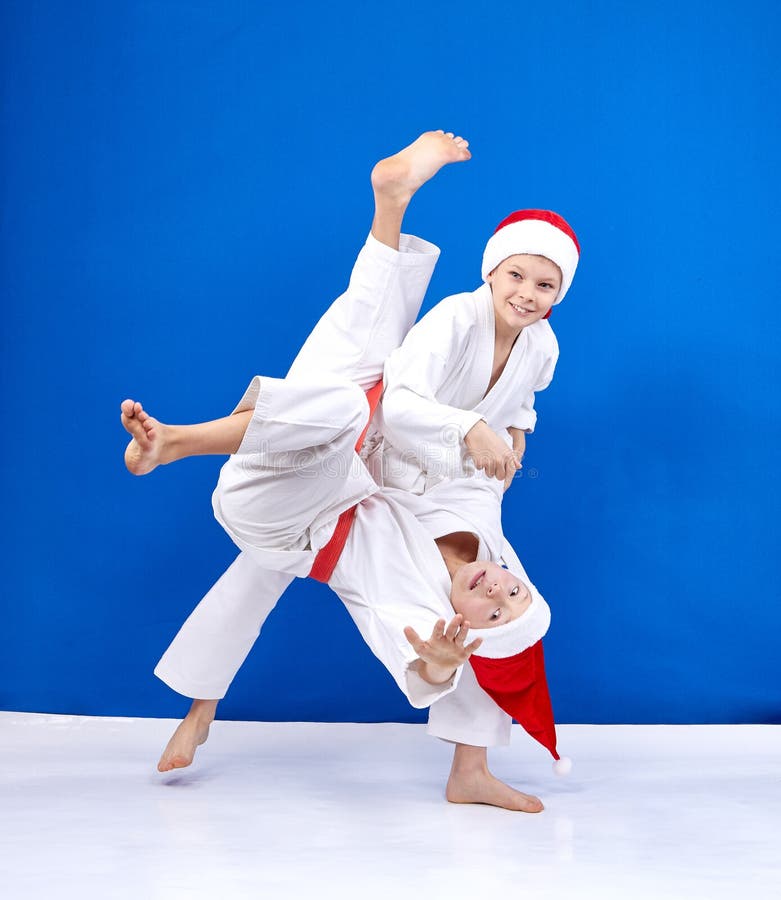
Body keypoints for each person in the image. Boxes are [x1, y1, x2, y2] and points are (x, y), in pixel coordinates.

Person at [123, 131, 560, 812]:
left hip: (322, 495)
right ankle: (181, 439)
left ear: (559, 295)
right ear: (493, 273)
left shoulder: (437, 593)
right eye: (519, 275)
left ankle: (467, 769)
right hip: (357, 433)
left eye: (545, 284)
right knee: (353, 358)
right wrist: (476, 429)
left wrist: (441, 664)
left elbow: (426, 652)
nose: (501, 586)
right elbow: (409, 399)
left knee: (486, 639)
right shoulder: (456, 323)